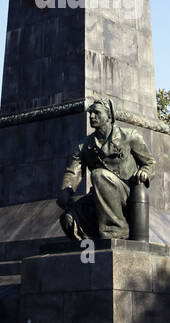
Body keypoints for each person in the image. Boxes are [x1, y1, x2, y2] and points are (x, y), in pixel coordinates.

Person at [57, 98, 154, 241]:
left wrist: (144, 172)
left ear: (109, 116)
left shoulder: (130, 136)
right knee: (69, 220)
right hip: (99, 194)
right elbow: (73, 172)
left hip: (126, 192)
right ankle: (93, 245)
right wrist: (65, 191)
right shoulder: (85, 145)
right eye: (90, 113)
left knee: (98, 174)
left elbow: (149, 163)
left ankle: (117, 231)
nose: (91, 116)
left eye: (96, 113)